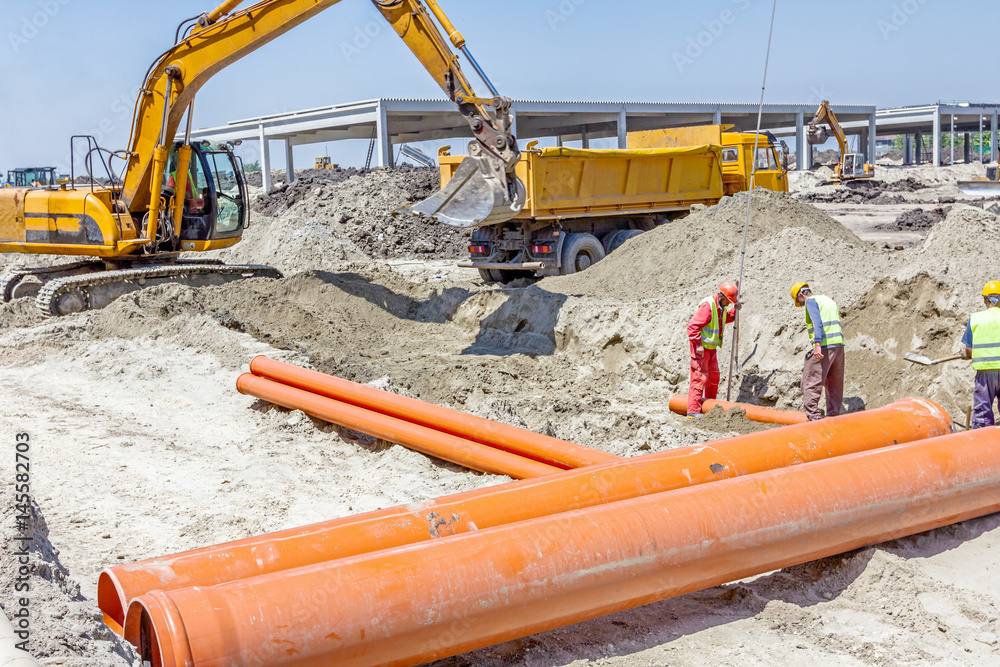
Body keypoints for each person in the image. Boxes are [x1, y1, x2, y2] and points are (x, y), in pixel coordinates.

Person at [792, 282, 844, 421]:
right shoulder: (828, 300)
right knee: (835, 383)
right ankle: (834, 415)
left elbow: (817, 322)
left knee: (810, 381)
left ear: (801, 295)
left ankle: (814, 417)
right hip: (838, 346)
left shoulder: (811, 301)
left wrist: (817, 344)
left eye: (799, 302)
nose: (802, 305)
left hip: (824, 346)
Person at [686, 282, 740, 417]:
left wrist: (735, 312)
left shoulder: (720, 306)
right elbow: (692, 326)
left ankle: (710, 408)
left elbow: (723, 319)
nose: (729, 304)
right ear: (722, 297)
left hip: (711, 348)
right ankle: (693, 410)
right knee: (699, 378)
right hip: (701, 348)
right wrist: (698, 344)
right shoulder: (708, 306)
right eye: (729, 301)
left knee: (714, 377)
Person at [961, 281, 1000, 428]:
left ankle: (984, 444)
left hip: (985, 374)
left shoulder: (976, 319)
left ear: (985, 299)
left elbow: (969, 351)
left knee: (983, 413)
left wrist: (969, 354)